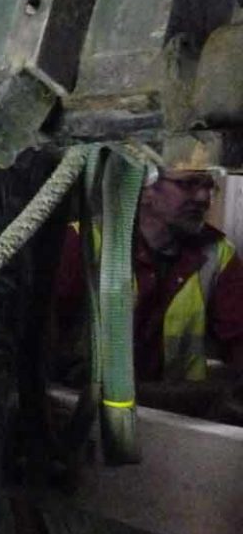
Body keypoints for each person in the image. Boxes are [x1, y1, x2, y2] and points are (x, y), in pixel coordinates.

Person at [54, 167, 243, 414]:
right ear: (144, 190)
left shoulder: (218, 253)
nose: (203, 198)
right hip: (80, 411)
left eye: (210, 186)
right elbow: (41, 342)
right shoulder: (82, 242)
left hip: (176, 417)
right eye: (189, 184)